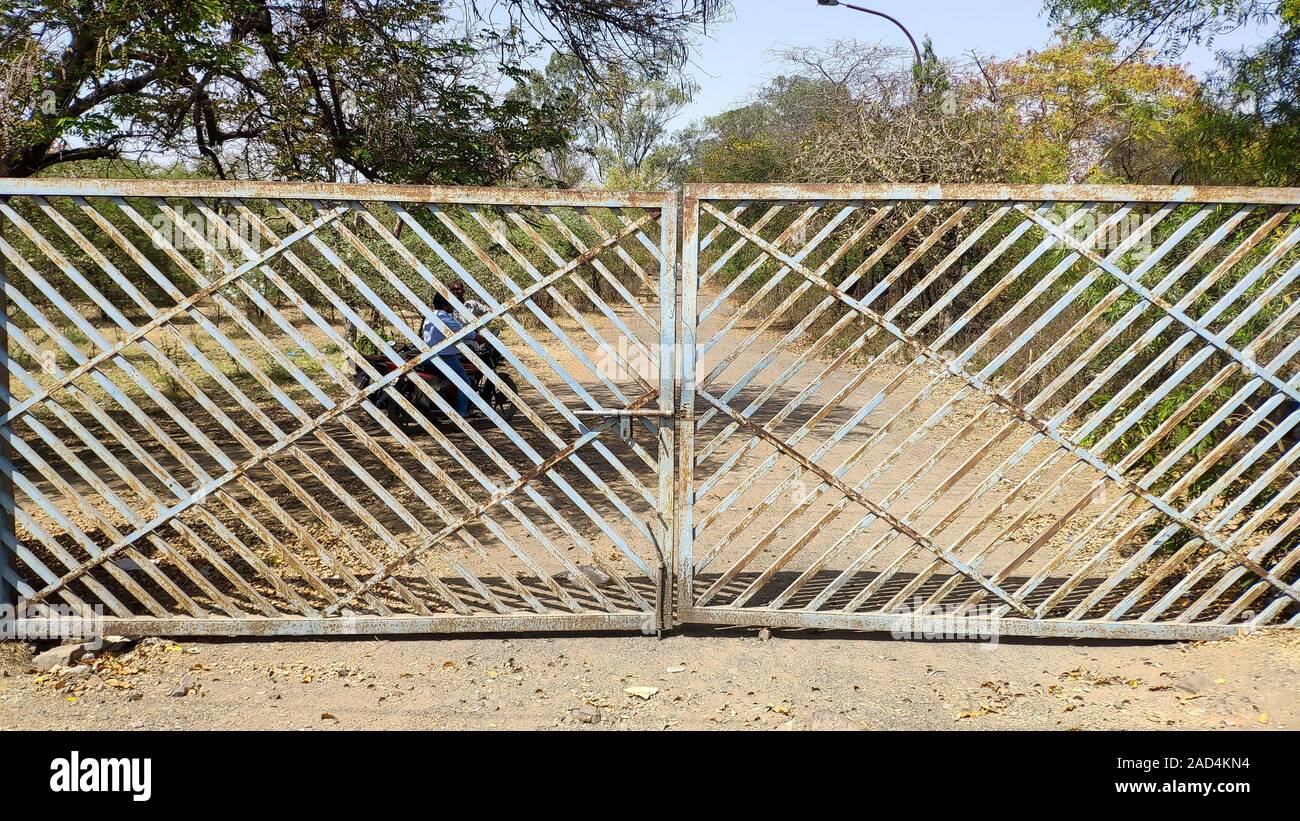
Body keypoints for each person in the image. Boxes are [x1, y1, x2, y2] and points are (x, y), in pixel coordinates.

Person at [421, 284, 478, 418]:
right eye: (450, 303)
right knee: (464, 383)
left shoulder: (430, 316)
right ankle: (461, 415)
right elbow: (464, 333)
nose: (452, 306)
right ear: (445, 305)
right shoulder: (445, 318)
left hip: (428, 357)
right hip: (445, 358)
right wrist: (481, 338)